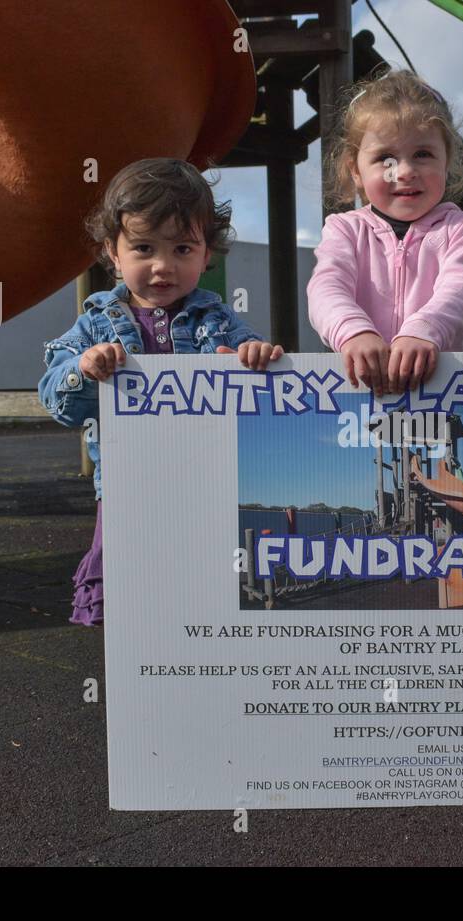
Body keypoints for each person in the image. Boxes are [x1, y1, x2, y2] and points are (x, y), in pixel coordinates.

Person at [39, 158, 283, 626]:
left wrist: (253, 356)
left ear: (207, 252)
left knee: (201, 577)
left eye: (183, 249)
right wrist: (84, 369)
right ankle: (138, 675)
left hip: (205, 477)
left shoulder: (218, 319)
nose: (162, 266)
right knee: (128, 579)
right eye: (144, 248)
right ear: (113, 251)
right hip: (129, 480)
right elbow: (56, 399)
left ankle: (192, 663)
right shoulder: (96, 323)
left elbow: (254, 365)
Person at [307, 69, 463, 396]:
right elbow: (326, 288)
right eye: (385, 158)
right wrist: (354, 332)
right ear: (355, 170)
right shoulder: (345, 229)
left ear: (447, 162)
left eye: (423, 154)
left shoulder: (462, 230)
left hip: (441, 392)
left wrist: (424, 331)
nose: (404, 172)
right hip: (361, 393)